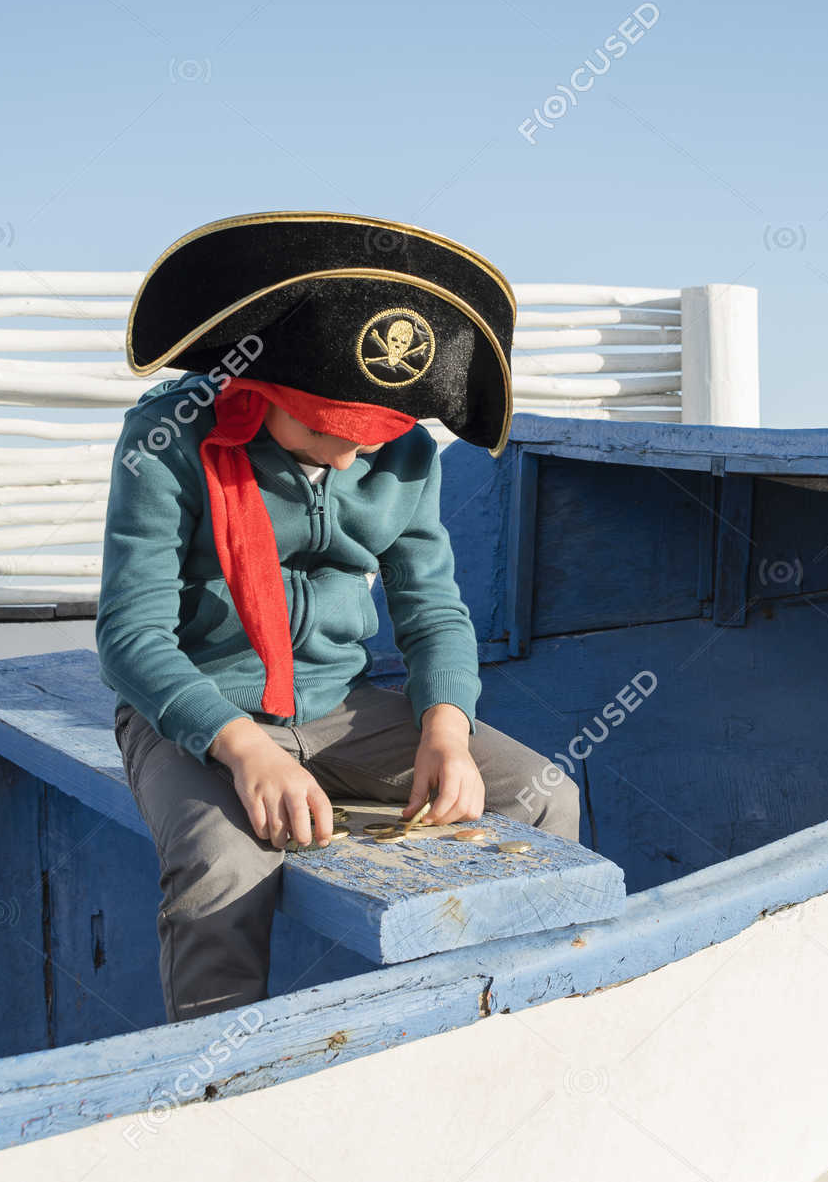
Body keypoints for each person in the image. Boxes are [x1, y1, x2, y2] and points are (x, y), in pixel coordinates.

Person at [96, 211, 577, 1023]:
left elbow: (433, 610)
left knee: (543, 793)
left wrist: (446, 731)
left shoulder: (405, 456)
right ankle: (218, 1088)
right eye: (326, 428)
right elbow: (130, 636)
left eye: (373, 434)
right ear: (268, 385)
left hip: (338, 709)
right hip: (194, 714)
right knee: (221, 870)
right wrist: (245, 747)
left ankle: (517, 1024)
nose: (351, 456)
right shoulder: (169, 436)